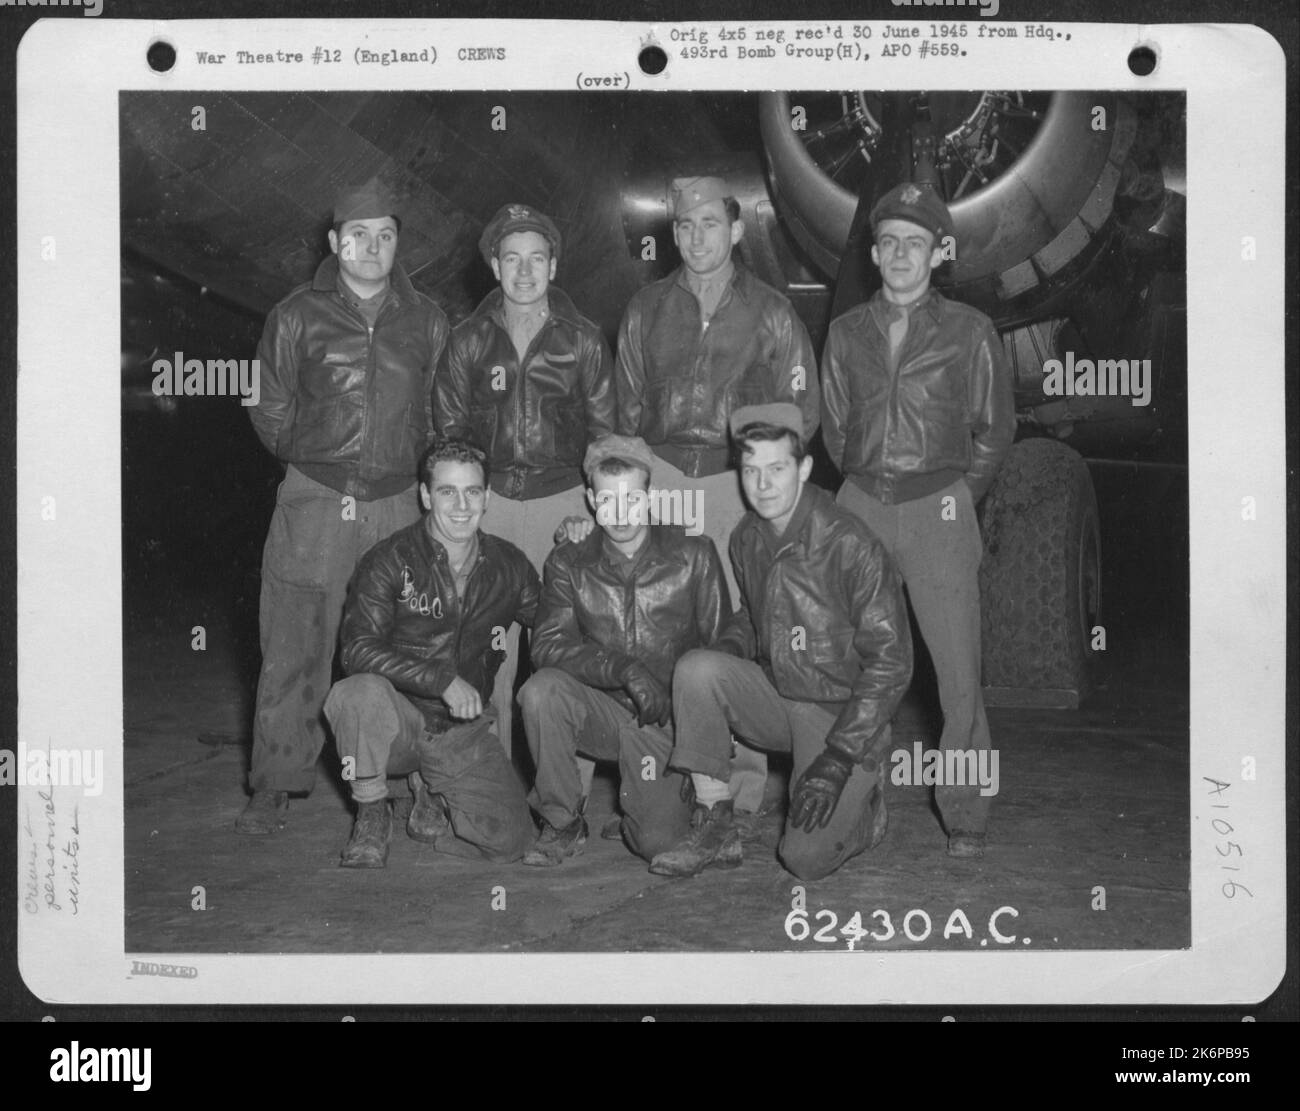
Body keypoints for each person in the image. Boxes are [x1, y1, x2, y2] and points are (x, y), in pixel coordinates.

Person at [239, 179, 449, 834]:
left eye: (385, 236)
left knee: (403, 640)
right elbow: (267, 403)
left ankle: (412, 778)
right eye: (357, 235)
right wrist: (316, 464)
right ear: (335, 242)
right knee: (295, 638)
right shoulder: (296, 314)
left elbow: (443, 410)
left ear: (397, 244)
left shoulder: (429, 320)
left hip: (395, 504)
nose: (371, 248)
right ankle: (276, 780)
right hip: (316, 500)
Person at [820, 182, 1015, 858]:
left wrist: (956, 494)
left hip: (939, 508)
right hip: (862, 504)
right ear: (875, 255)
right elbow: (836, 428)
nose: (902, 253)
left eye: (916, 243)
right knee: (849, 664)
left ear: (939, 254)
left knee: (957, 669)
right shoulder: (846, 334)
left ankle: (965, 814)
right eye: (890, 242)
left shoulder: (970, 331)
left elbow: (994, 429)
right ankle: (853, 802)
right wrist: (865, 486)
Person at [614, 175, 818, 815]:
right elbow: (623, 412)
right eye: (684, 226)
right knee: (664, 618)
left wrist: (763, 481)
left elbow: (801, 409)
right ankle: (669, 766)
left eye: (709, 224)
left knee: (746, 621)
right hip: (665, 475)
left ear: (735, 230)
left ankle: (746, 786)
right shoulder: (646, 308)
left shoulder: (772, 310)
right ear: (671, 234)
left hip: (737, 484)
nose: (696, 237)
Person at [650, 404, 912, 881]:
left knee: (803, 859)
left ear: (804, 468)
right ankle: (716, 821)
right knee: (696, 668)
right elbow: (753, 616)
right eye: (750, 471)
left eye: (776, 469)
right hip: (777, 696)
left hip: (840, 715)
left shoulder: (851, 544)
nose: (762, 485)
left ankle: (867, 808)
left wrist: (837, 758)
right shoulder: (747, 537)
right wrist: (720, 665)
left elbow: (892, 663)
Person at [435, 203, 614, 758]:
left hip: (562, 508)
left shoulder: (582, 340)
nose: (525, 271)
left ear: (554, 267)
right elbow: (448, 431)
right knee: (485, 652)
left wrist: (592, 512)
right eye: (512, 259)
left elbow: (606, 437)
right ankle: (491, 785)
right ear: (494, 266)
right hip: (489, 513)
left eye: (537, 258)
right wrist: (464, 510)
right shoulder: (467, 340)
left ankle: (565, 799)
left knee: (565, 651)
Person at [322, 439, 538, 868]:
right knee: (356, 693)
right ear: (424, 495)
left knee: (510, 841)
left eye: (472, 491)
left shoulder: (509, 564)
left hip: (461, 730)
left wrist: (580, 550)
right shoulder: (388, 559)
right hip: (398, 722)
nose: (461, 505)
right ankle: (371, 809)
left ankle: (432, 789)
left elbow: (553, 625)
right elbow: (358, 650)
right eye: (446, 491)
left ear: (488, 497)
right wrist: (440, 680)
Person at [519, 434, 729, 865]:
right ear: (590, 501)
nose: (620, 514)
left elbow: (723, 654)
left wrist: (697, 744)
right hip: (607, 715)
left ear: (650, 495)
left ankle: (652, 806)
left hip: (669, 725)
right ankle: (561, 820)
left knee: (656, 842)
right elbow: (547, 645)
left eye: (632, 499)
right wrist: (622, 669)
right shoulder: (569, 562)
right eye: (607, 501)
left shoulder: (695, 554)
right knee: (541, 690)